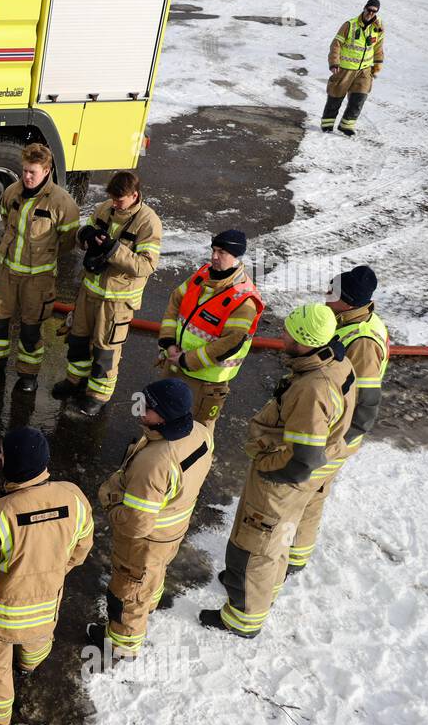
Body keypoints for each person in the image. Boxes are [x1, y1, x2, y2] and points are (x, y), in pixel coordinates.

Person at [203, 304, 358, 638]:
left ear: (304, 342)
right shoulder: (337, 362)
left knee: (254, 546)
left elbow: (300, 458)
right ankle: (255, 587)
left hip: (281, 480)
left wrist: (266, 466)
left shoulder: (312, 388)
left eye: (289, 332)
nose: (281, 334)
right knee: (276, 539)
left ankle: (242, 618)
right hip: (298, 480)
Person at [0, 427, 94, 725]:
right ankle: (29, 665)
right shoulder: (74, 498)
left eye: (2, 453)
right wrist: (52, 573)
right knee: (37, 640)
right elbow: (81, 549)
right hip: (45, 609)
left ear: (11, 464)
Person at [90, 379, 214, 658]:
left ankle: (121, 646)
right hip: (172, 531)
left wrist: (111, 503)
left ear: (165, 416)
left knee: (128, 591)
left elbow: (136, 524)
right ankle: (150, 602)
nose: (140, 409)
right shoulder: (201, 433)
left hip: (145, 542)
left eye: (148, 407)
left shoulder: (155, 462)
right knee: (153, 575)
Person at [288, 265, 388, 571]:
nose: (325, 295)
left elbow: (366, 406)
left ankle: (290, 560)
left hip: (333, 435)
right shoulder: (347, 320)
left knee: (304, 496)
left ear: (348, 301)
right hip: (326, 425)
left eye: (332, 292)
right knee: (307, 494)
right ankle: (292, 555)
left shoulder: (364, 343)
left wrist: (335, 444)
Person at [0, 142, 79, 393]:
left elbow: (68, 240)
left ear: (46, 170)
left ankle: (28, 375)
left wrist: (44, 258)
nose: (27, 177)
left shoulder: (62, 203)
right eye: (24, 170)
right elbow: (5, 218)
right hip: (9, 272)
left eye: (33, 172)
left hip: (38, 279)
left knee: (31, 330)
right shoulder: (12, 191)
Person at [56, 171, 162, 415]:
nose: (115, 204)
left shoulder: (148, 223)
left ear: (134, 195)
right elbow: (86, 233)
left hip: (117, 300)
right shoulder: (105, 208)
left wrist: (114, 250)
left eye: (120, 200)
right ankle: (75, 381)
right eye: (113, 199)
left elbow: (146, 265)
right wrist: (86, 236)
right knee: (78, 339)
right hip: (90, 290)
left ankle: (98, 394)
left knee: (105, 350)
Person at [157, 230, 264, 427]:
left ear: (236, 257)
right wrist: (169, 343)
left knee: (196, 429)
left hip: (205, 380)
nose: (214, 257)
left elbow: (230, 343)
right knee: (162, 417)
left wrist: (186, 359)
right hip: (175, 363)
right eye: (213, 250)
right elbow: (175, 301)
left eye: (222, 252)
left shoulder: (244, 299)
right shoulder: (202, 274)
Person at [321, 0, 384, 136]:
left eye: (374, 11)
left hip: (365, 70)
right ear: (364, 8)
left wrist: (378, 63)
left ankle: (346, 125)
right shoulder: (349, 25)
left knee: (359, 98)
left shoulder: (378, 28)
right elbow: (336, 44)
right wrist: (334, 63)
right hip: (344, 68)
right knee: (335, 96)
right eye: (369, 10)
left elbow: (378, 47)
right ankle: (327, 124)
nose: (371, 13)